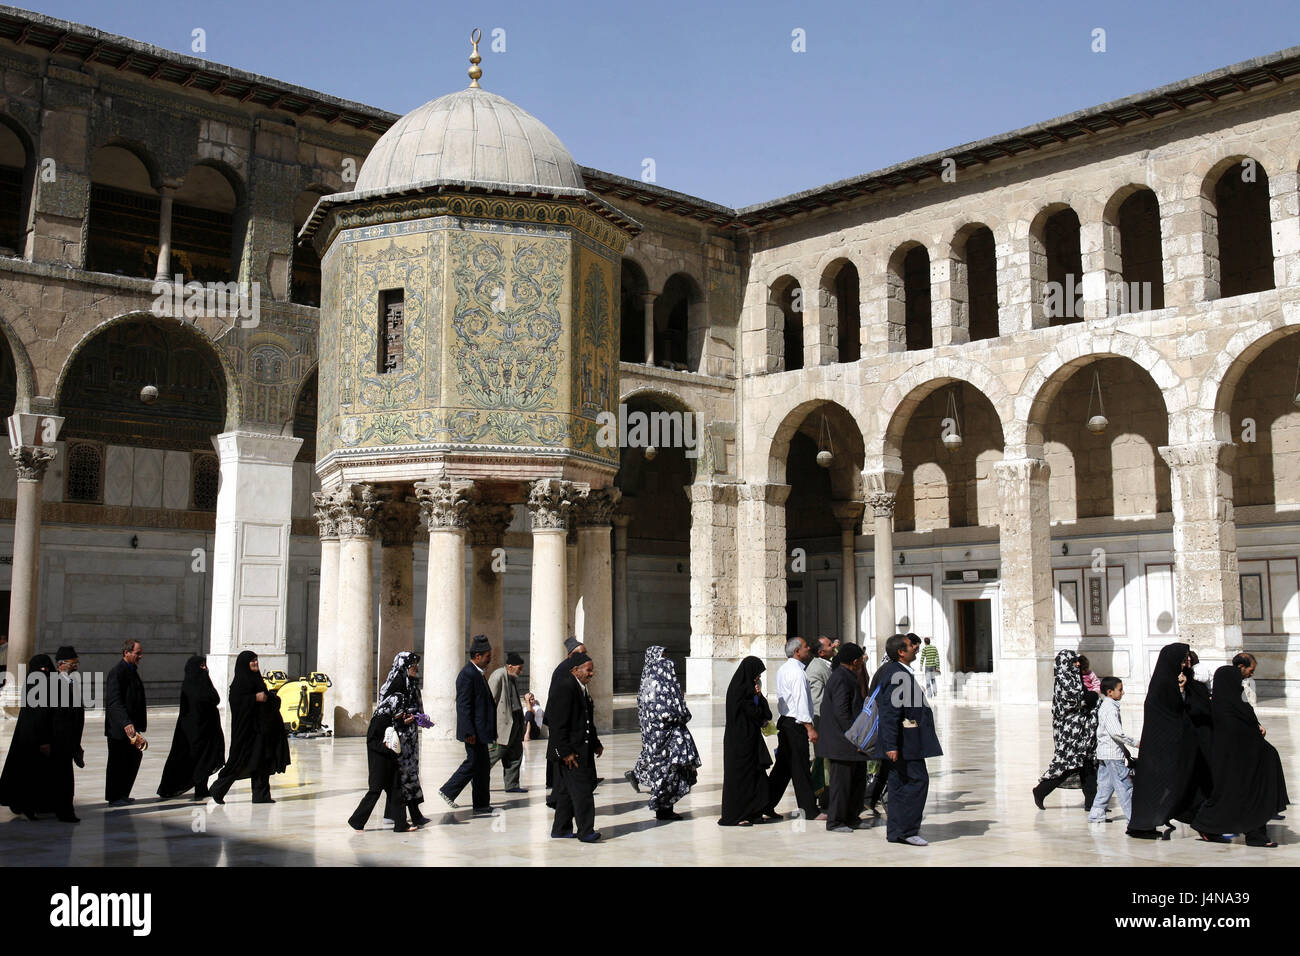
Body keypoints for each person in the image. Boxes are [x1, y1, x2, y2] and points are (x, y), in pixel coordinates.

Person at [1191, 665, 1288, 847]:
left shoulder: (1236, 703)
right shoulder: (1225, 708)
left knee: (1247, 797)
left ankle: (1252, 834)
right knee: (1237, 797)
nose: (1241, 684)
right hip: (1237, 763)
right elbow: (1237, 734)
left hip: (1248, 761)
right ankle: (1210, 826)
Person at [872, 633, 943, 846]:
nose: (915, 648)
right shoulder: (898, 674)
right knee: (917, 781)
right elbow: (891, 711)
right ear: (901, 652)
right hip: (905, 743)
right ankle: (907, 830)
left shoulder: (894, 671)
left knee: (898, 784)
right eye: (910, 646)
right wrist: (892, 744)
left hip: (903, 741)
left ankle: (896, 831)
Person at [1127, 643, 1200, 839]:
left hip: (1161, 747)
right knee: (1154, 788)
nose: (1186, 663)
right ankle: (1141, 827)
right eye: (1182, 659)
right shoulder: (1164, 685)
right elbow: (1173, 714)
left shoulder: (1166, 682)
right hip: (1160, 747)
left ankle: (1148, 824)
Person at [628, 646, 701, 821]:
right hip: (664, 737)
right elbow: (672, 711)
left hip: (653, 737)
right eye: (663, 658)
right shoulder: (660, 683)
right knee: (668, 771)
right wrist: (683, 714)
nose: (668, 663)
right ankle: (663, 808)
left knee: (664, 770)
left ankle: (664, 807)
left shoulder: (647, 681)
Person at [208, 651, 290, 805]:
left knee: (262, 761)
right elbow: (236, 702)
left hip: (262, 731)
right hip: (247, 731)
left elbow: (267, 699)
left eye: (256, 660)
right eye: (252, 661)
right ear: (244, 664)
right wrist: (255, 698)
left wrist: (269, 698)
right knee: (239, 761)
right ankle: (217, 789)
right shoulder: (240, 682)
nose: (255, 663)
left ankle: (261, 796)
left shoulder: (257, 680)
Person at [1032, 650, 1099, 812]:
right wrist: (1092, 697)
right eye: (1074, 661)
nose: (1077, 664)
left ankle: (1093, 804)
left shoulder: (1075, 678)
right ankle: (1041, 790)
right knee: (1068, 765)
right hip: (1070, 733)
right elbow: (1077, 701)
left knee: (1087, 765)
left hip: (1083, 731)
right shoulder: (1064, 680)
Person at [815, 643, 872, 833]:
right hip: (843, 742)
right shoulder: (841, 678)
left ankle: (851, 817)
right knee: (842, 783)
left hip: (848, 740)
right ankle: (836, 821)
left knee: (856, 780)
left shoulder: (845, 676)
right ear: (855, 661)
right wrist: (855, 736)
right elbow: (842, 712)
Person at [765, 636, 822, 822]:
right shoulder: (797, 673)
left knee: (783, 769)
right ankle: (810, 810)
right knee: (801, 768)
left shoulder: (784, 669)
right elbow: (800, 701)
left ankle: (766, 803)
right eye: (805, 646)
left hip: (786, 723)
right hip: (795, 725)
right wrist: (809, 727)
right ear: (797, 651)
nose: (808, 649)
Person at [548, 653, 603, 842]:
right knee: (583, 791)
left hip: (580, 749)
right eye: (588, 670)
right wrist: (565, 752)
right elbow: (556, 724)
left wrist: (595, 743)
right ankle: (586, 831)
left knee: (565, 792)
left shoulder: (581, 688)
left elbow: (586, 720)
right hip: (571, 752)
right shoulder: (565, 688)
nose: (592, 673)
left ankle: (561, 829)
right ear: (575, 670)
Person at [439, 635, 496, 812]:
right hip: (474, 732)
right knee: (473, 763)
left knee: (483, 766)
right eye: (487, 656)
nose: (490, 659)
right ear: (477, 656)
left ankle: (481, 804)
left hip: (480, 730)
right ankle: (448, 790)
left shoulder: (477, 674)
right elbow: (463, 706)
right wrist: (468, 732)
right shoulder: (467, 674)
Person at [157, 656, 225, 801]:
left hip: (207, 729)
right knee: (191, 758)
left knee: (206, 758)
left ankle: (202, 788)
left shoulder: (204, 682)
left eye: (205, 665)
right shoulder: (190, 685)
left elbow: (215, 698)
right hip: (192, 731)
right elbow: (201, 703)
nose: (205, 668)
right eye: (201, 666)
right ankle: (171, 787)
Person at [719, 656, 774, 826]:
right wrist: (759, 705)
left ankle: (754, 812)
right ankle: (736, 815)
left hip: (750, 739)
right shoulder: (740, 691)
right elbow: (757, 714)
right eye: (757, 674)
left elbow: (767, 714)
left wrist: (759, 697)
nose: (758, 678)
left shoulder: (750, 690)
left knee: (754, 776)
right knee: (739, 778)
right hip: (739, 742)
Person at [0, 655, 55, 819]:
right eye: (41, 667)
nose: (44, 670)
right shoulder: (35, 684)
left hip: (30, 736)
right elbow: (38, 715)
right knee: (28, 774)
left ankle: (33, 804)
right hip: (32, 738)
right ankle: (27, 806)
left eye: (46, 667)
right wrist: (43, 740)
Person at [349, 700, 417, 832]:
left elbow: (391, 728)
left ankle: (401, 825)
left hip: (390, 760)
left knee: (396, 791)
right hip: (378, 763)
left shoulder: (389, 717)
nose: (402, 713)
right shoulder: (379, 719)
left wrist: (403, 723)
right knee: (374, 791)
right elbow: (371, 740)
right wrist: (386, 747)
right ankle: (356, 821)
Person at [1233, 653, 1289, 813]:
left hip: (1249, 732)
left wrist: (1256, 724)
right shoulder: (1229, 684)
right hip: (1239, 738)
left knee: (1270, 756)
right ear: (1241, 667)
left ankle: (1271, 805)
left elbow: (1247, 709)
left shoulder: (1245, 683)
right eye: (1251, 669)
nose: (1252, 673)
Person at [377, 651, 428, 825]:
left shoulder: (411, 684)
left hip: (410, 738)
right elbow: (385, 713)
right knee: (401, 775)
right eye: (413, 665)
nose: (416, 668)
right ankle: (405, 814)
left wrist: (420, 717)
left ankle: (403, 814)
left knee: (409, 774)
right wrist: (404, 717)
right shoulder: (394, 685)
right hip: (399, 739)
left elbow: (416, 707)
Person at [104, 639, 147, 805]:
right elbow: (114, 702)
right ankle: (114, 796)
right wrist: (125, 722)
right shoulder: (117, 672)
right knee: (117, 762)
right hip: (119, 728)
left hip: (131, 728)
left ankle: (122, 793)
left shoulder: (131, 670)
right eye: (137, 653)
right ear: (126, 653)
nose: (140, 656)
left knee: (133, 758)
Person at [1089, 677, 1138, 823]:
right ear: (1110, 692)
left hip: (1105, 753)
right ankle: (1134, 818)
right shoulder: (1110, 708)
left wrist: (1125, 751)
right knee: (1125, 785)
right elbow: (1116, 733)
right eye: (1120, 689)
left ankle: (1097, 814)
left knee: (1105, 786)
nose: (1123, 692)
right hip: (1112, 755)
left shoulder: (1107, 706)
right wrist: (1136, 743)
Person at [488, 651, 527, 793]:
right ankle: (477, 779)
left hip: (515, 721)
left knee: (516, 754)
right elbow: (490, 700)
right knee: (494, 755)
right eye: (519, 668)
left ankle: (512, 785)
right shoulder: (498, 676)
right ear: (510, 666)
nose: (521, 671)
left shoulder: (512, 677)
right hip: (503, 724)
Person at [806, 636, 834, 812]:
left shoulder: (825, 666)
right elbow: (816, 701)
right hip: (821, 722)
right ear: (821, 652)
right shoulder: (816, 669)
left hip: (825, 723)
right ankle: (821, 795)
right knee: (820, 762)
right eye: (830, 645)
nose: (834, 646)